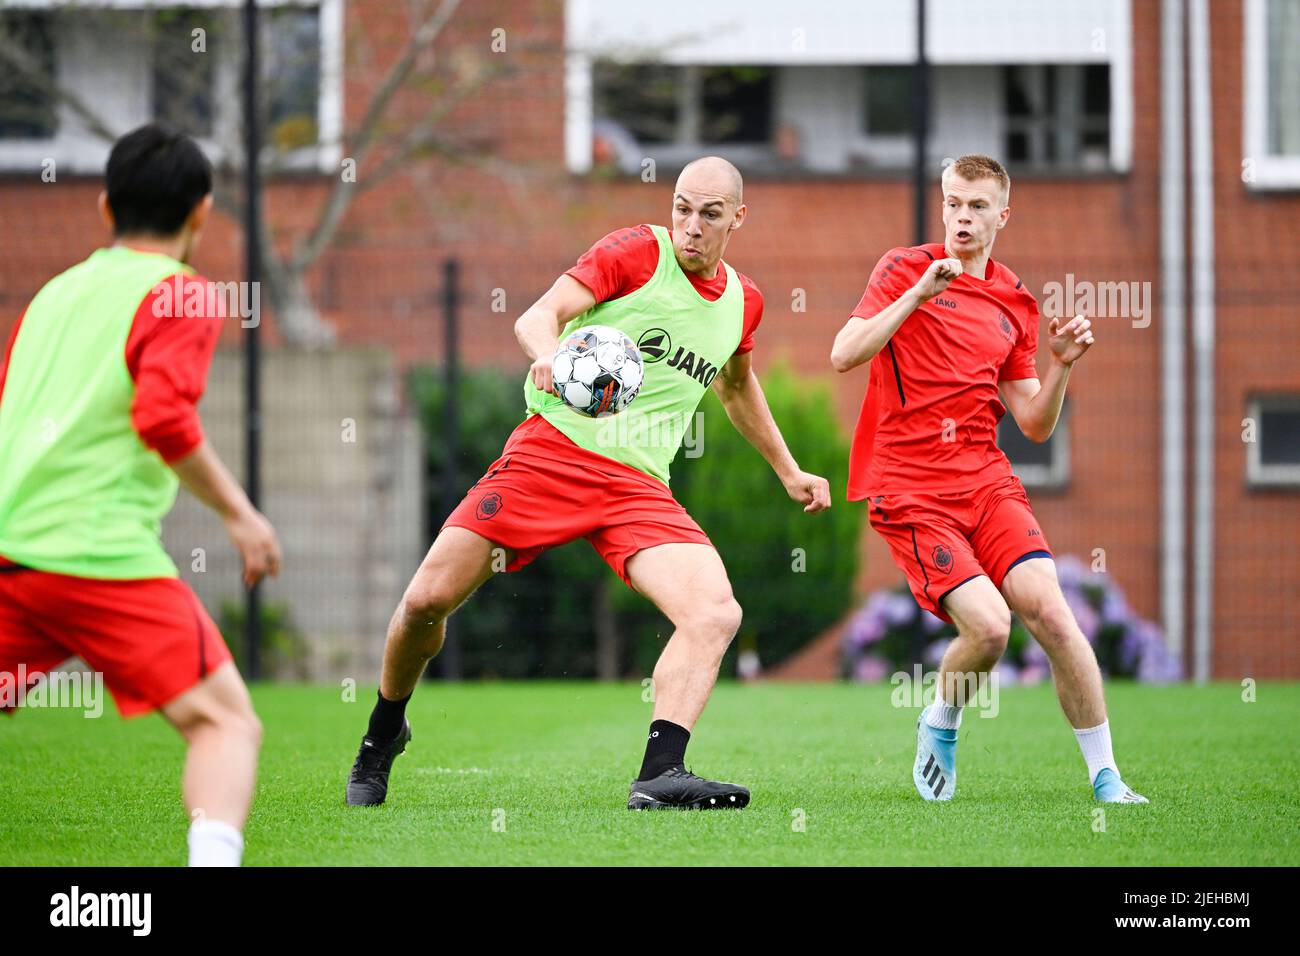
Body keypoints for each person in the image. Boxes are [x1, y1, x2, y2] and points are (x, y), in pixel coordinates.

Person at [346, 156, 831, 811]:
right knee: (424, 603)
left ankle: (662, 771)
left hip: (637, 488)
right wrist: (548, 353)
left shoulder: (745, 303)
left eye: (709, 214)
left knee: (715, 613)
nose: (690, 226)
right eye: (682, 207)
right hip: (550, 456)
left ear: (737, 218)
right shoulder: (635, 252)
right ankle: (383, 733)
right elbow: (537, 316)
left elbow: (737, 386)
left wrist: (788, 469)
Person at [0, 123, 283, 864]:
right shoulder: (181, 295)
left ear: (104, 209)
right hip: (93, 557)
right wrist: (239, 514)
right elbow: (161, 416)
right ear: (201, 213)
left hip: (11, 552)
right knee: (227, 724)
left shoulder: (51, 298)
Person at [831, 154, 1147, 804]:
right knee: (991, 628)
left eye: (977, 206)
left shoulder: (1014, 301)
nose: (962, 217)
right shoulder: (902, 269)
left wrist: (1061, 367)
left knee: (1054, 617)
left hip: (986, 483)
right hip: (911, 490)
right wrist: (918, 294)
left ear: (1003, 215)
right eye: (953, 203)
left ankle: (1107, 778)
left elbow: (1032, 422)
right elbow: (843, 354)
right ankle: (940, 721)